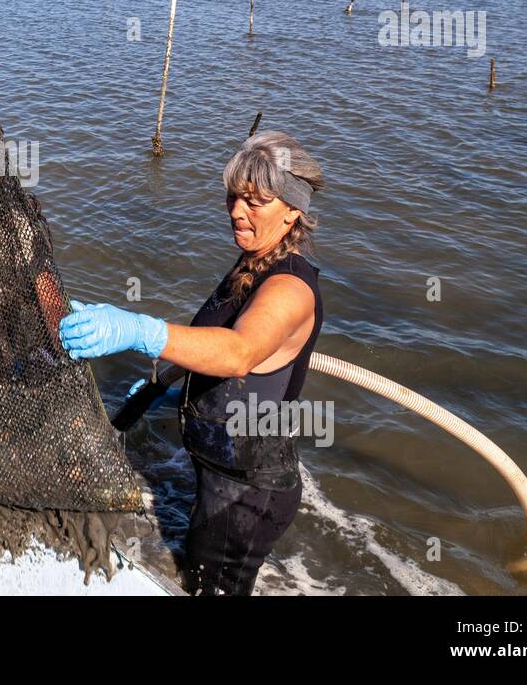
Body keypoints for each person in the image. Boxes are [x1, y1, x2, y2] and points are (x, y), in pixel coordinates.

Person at [58, 131, 326, 595]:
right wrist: (164, 386)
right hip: (220, 468)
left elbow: (239, 353)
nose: (237, 212)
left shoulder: (289, 289)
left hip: (247, 488)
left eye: (255, 202)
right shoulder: (254, 261)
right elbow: (214, 344)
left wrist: (140, 330)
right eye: (233, 196)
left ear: (293, 211)